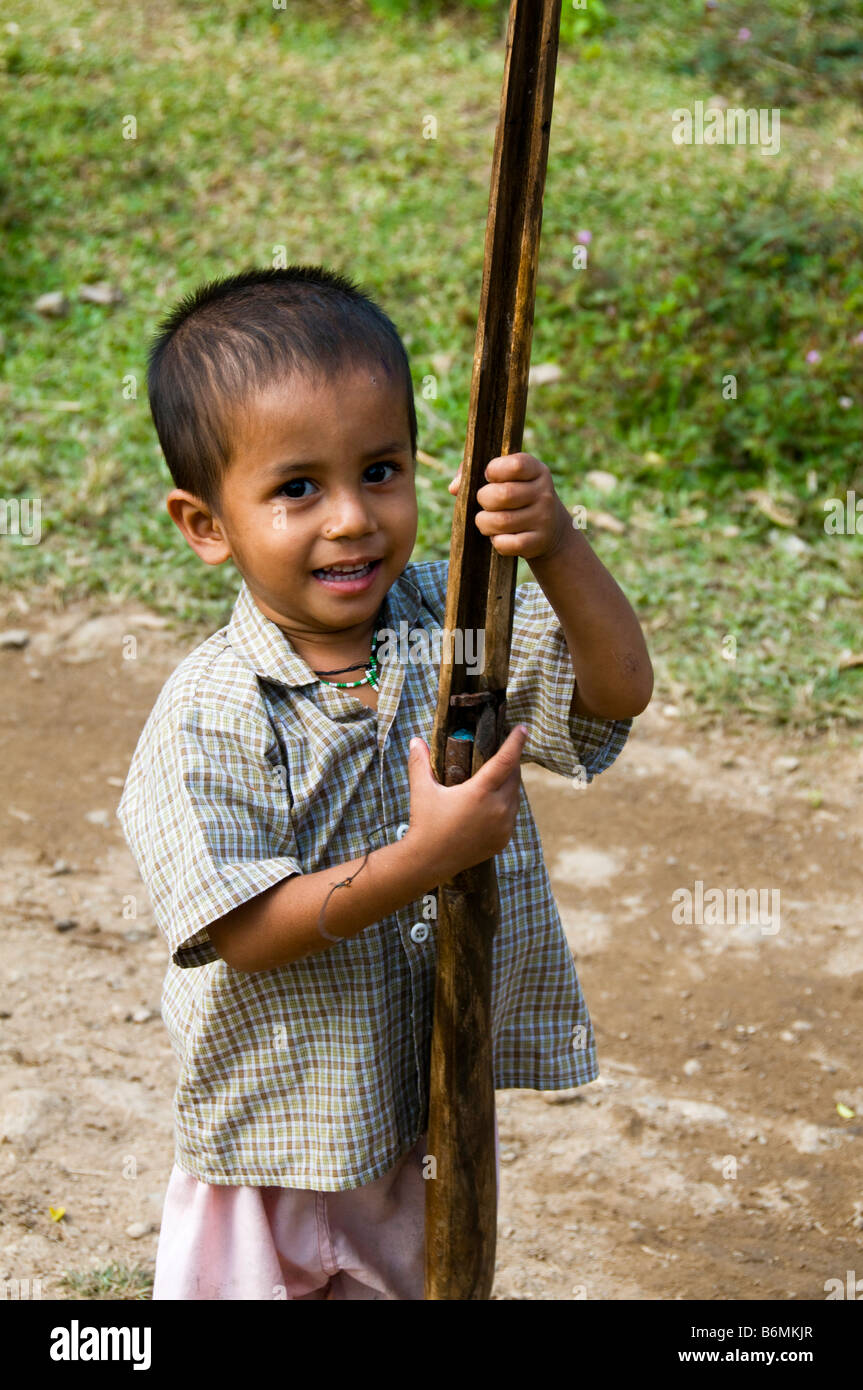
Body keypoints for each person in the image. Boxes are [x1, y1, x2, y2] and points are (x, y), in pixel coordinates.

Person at [117, 264, 653, 1300]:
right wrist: (424, 858)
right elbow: (246, 929)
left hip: (416, 1121)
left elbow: (616, 688)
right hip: (269, 1143)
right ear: (205, 524)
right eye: (296, 489)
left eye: (379, 470)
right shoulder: (210, 712)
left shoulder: (452, 622)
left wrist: (554, 546)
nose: (351, 518)